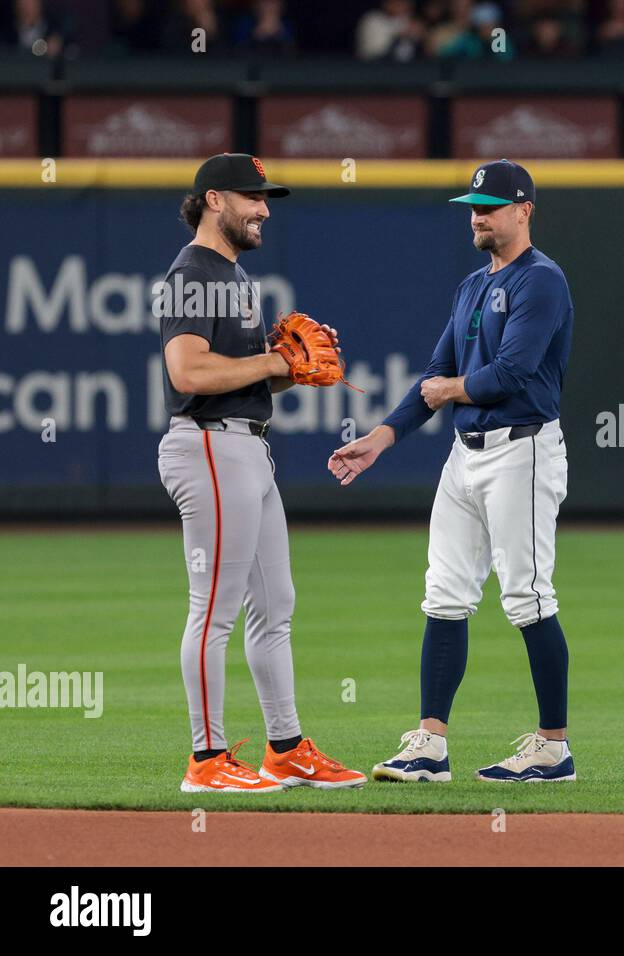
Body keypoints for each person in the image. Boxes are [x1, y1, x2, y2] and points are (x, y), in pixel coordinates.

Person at [328, 160, 576, 784]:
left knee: (527, 596)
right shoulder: (471, 285)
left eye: (491, 204)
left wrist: (450, 391)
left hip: (522, 450)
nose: (478, 213)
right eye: (473, 203)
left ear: (524, 210)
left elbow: (511, 375)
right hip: (466, 454)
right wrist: (382, 438)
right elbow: (433, 377)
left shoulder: (541, 280)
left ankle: (553, 747)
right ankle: (430, 745)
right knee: (443, 594)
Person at [158, 153, 366, 793]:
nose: (265, 209)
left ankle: (286, 748)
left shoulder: (231, 272)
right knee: (214, 611)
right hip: (210, 445)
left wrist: (279, 368)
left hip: (245, 445)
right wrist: (276, 361)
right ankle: (207, 760)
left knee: (275, 606)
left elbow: (236, 370)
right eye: (253, 197)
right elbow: (188, 373)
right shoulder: (193, 272)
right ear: (215, 199)